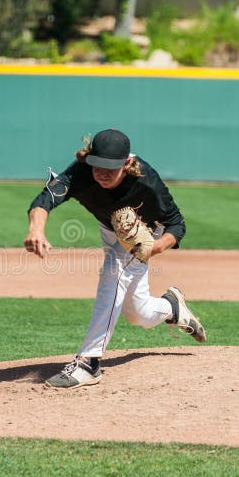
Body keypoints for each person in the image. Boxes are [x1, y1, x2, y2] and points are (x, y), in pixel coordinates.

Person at [24, 128, 206, 388]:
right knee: (138, 314)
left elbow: (177, 224)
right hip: (110, 228)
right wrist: (36, 229)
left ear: (127, 163)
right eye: (97, 165)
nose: (102, 173)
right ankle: (171, 307)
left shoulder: (146, 182)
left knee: (114, 271)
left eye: (111, 168)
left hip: (143, 234)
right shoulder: (81, 171)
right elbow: (46, 198)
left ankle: (89, 362)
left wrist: (154, 247)